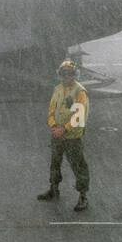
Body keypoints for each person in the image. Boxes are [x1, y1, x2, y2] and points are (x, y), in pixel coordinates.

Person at [38, 59, 91, 211]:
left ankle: (83, 197)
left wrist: (64, 129)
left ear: (75, 75)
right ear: (60, 75)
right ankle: (53, 189)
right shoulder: (58, 89)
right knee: (55, 163)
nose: (66, 76)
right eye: (64, 74)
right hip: (57, 135)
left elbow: (80, 115)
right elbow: (51, 111)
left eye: (70, 74)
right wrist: (54, 126)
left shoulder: (80, 92)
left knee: (79, 166)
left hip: (72, 137)